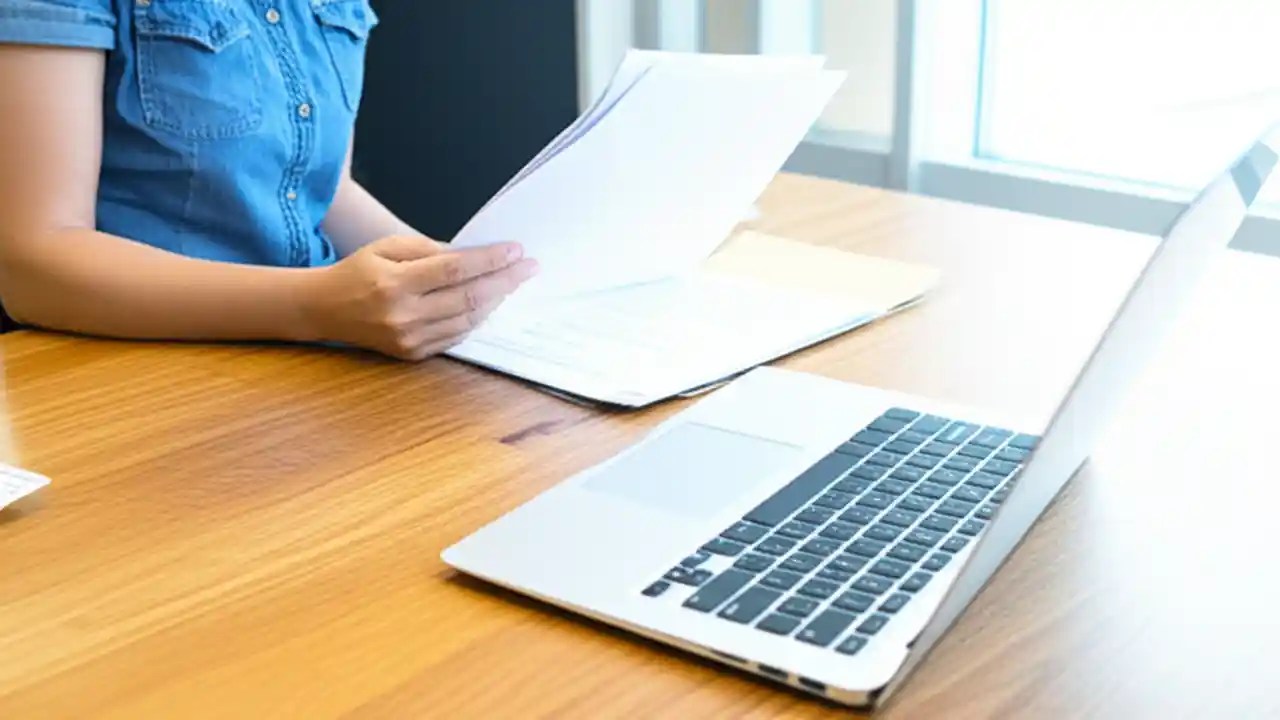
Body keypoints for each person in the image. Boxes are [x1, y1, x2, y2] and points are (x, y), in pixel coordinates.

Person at [0, 1, 537, 360]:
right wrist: (317, 305)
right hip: (136, 373)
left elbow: (324, 192)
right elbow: (33, 265)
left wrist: (453, 275)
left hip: (314, 359)